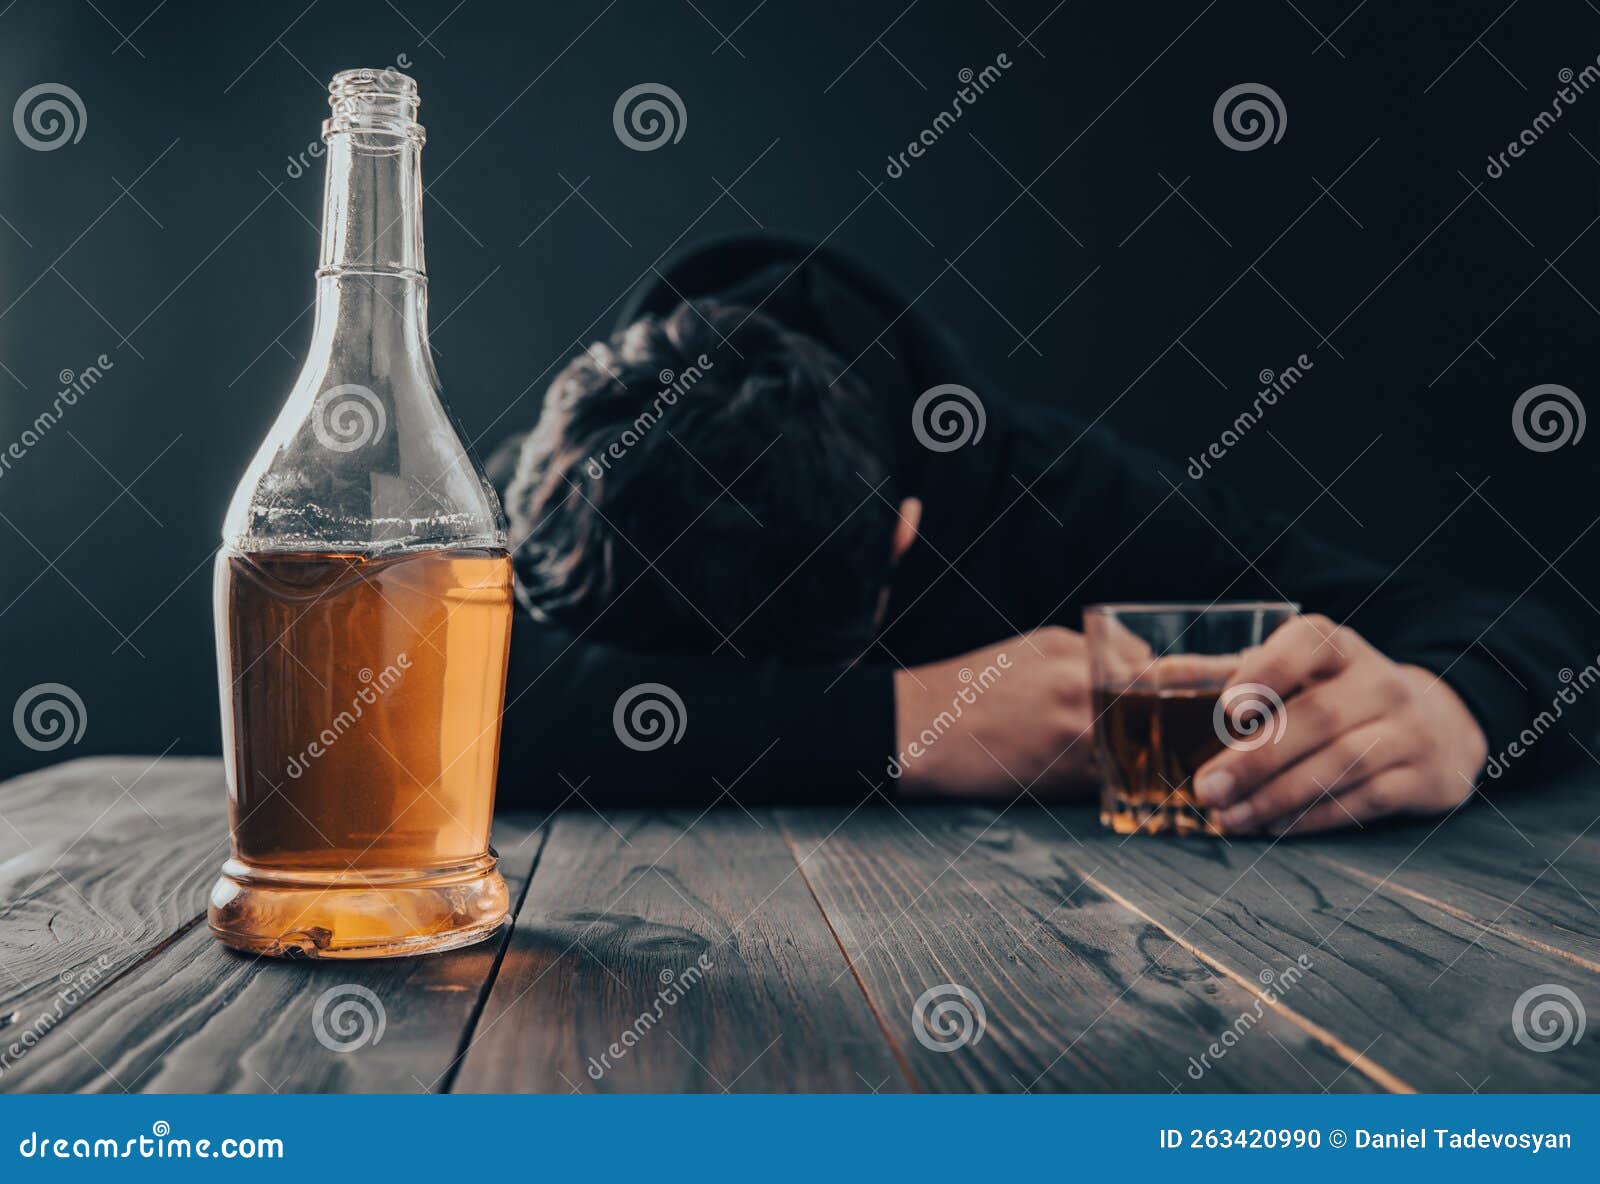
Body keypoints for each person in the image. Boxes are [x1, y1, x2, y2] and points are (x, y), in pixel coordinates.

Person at [487, 234, 1585, 835]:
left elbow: (1512, 627)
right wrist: (904, 721)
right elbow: (356, 700)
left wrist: (1453, 708)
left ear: (905, 539)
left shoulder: (1061, 498)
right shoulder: (590, 472)